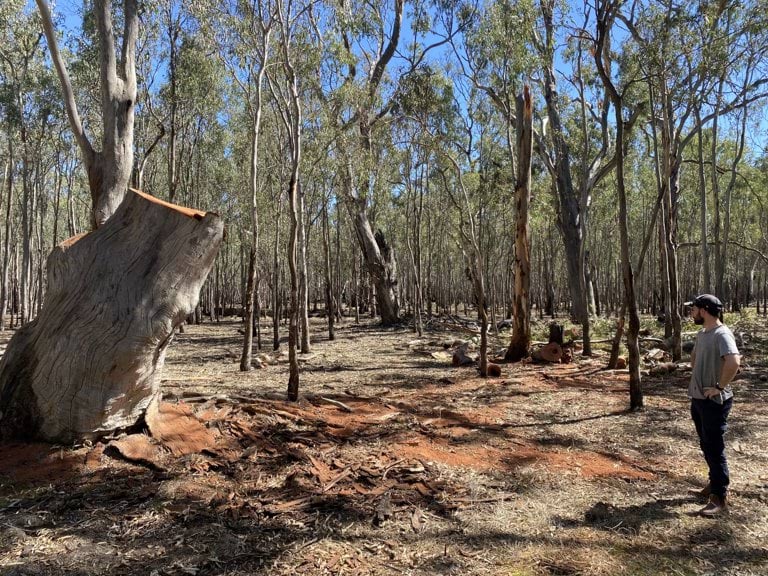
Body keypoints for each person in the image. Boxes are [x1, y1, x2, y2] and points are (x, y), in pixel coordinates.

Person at [684, 294, 741, 517]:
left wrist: (718, 386)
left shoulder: (722, 333)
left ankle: (719, 496)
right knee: (706, 443)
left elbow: (734, 361)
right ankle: (713, 483)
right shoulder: (703, 333)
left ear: (704, 310)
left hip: (714, 401)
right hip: (699, 399)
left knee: (715, 447)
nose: (692, 312)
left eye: (694, 308)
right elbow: (695, 359)